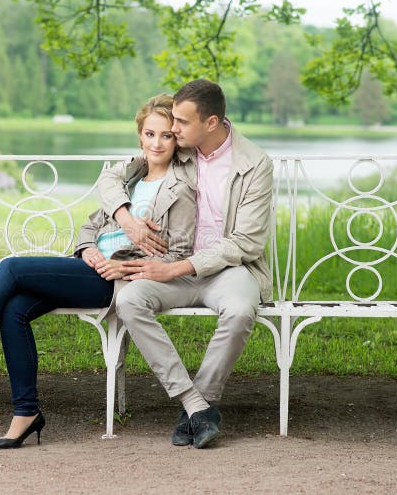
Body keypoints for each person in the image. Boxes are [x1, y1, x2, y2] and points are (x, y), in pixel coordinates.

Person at [0, 94, 197, 449]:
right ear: (139, 136)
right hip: (88, 267)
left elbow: (177, 254)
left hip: (116, 280)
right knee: (14, 309)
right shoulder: (128, 178)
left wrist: (121, 266)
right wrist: (87, 251)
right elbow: (89, 229)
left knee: (10, 268)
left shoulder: (181, 187)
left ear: (177, 139)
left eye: (166, 135)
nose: (157, 143)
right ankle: (26, 413)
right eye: (149, 134)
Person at [96, 79, 273, 449]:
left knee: (241, 310)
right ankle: (194, 405)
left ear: (211, 123)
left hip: (228, 270)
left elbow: (246, 242)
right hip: (172, 262)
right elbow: (112, 176)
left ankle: (198, 405)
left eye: (180, 122)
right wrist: (127, 219)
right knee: (129, 300)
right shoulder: (180, 150)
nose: (171, 129)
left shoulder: (254, 164)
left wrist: (177, 269)